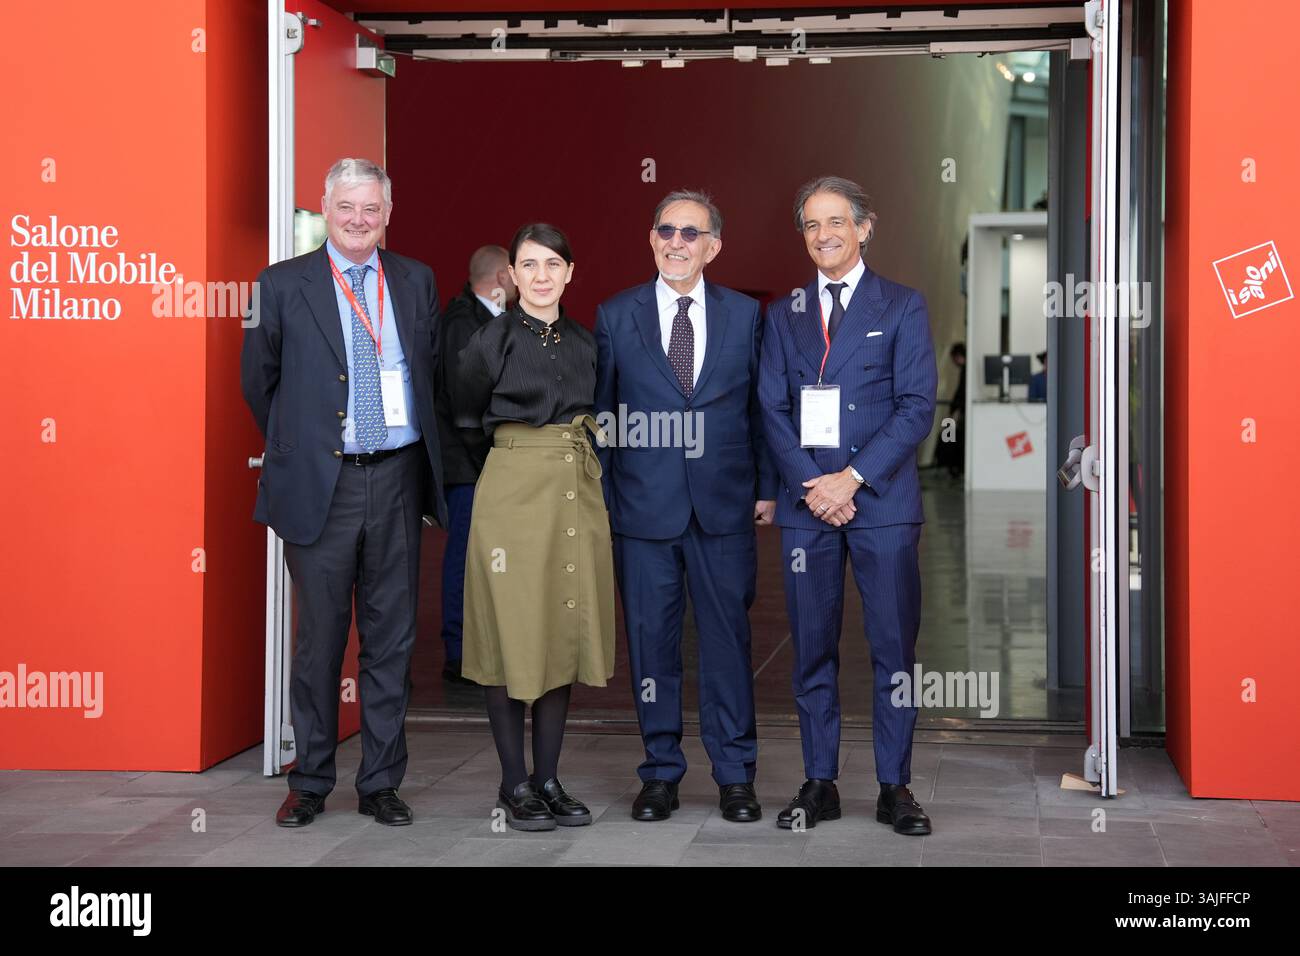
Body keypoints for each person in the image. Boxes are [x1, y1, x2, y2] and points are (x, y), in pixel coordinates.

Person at [241, 157, 447, 828]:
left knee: (390, 642)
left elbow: (431, 374)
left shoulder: (416, 281)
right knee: (320, 644)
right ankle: (311, 781)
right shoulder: (278, 285)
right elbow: (260, 386)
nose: (359, 219)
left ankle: (382, 782)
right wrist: (307, 449)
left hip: (395, 478)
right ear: (325, 210)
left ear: (388, 214)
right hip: (321, 485)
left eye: (372, 209)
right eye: (347, 207)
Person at [758, 175, 937, 835]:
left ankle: (896, 787)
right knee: (810, 649)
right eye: (810, 224)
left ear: (865, 227)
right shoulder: (786, 313)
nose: (823, 235)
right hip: (808, 509)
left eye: (836, 221)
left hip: (880, 504)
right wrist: (814, 484)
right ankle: (819, 782)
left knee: (892, 649)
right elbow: (771, 409)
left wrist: (851, 479)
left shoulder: (902, 305)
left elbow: (917, 404)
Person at [594, 190, 777, 824]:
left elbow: (762, 409)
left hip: (723, 510)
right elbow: (605, 419)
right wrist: (606, 503)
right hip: (642, 513)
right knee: (652, 647)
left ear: (713, 247)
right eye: (666, 230)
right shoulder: (616, 316)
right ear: (651, 238)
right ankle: (661, 774)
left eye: (691, 233)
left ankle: (734, 775)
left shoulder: (747, 316)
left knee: (727, 643)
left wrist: (768, 487)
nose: (677, 241)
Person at [454, 223, 615, 831]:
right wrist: (511, 473)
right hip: (511, 494)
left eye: (553, 264)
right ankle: (513, 782)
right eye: (529, 265)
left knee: (559, 629)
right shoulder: (488, 341)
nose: (542, 275)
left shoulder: (586, 341)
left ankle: (548, 777)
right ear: (512, 276)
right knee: (509, 634)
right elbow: (467, 421)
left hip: (574, 489)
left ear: (570, 272)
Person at [432, 245, 516, 684]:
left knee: (486, 559)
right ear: (503, 276)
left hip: (481, 463)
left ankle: (478, 648)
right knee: (466, 557)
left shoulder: (485, 320)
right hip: (470, 467)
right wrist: (493, 456)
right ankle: (460, 652)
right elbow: (466, 404)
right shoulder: (464, 324)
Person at [934, 342, 966, 477]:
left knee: (950, 437)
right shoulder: (965, 371)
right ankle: (953, 465)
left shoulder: (966, 371)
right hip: (958, 412)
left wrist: (955, 412)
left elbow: (960, 393)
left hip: (958, 413)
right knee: (951, 437)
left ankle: (952, 465)